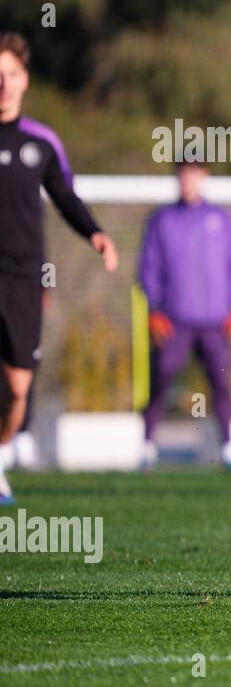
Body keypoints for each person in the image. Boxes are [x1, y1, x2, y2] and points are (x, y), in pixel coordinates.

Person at [0, 32, 118, 504]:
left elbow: (65, 196)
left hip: (23, 278)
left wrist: (95, 233)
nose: (2, 85)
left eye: (10, 75)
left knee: (17, 387)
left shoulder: (42, 142)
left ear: (25, 80)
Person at [138, 157, 231, 469]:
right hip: (174, 320)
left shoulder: (222, 220)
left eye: (194, 173)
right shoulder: (161, 221)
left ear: (204, 176)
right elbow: (148, 268)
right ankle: (146, 445)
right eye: (183, 173)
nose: (188, 179)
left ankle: (230, 447)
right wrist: (155, 310)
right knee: (159, 380)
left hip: (216, 321)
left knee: (222, 383)